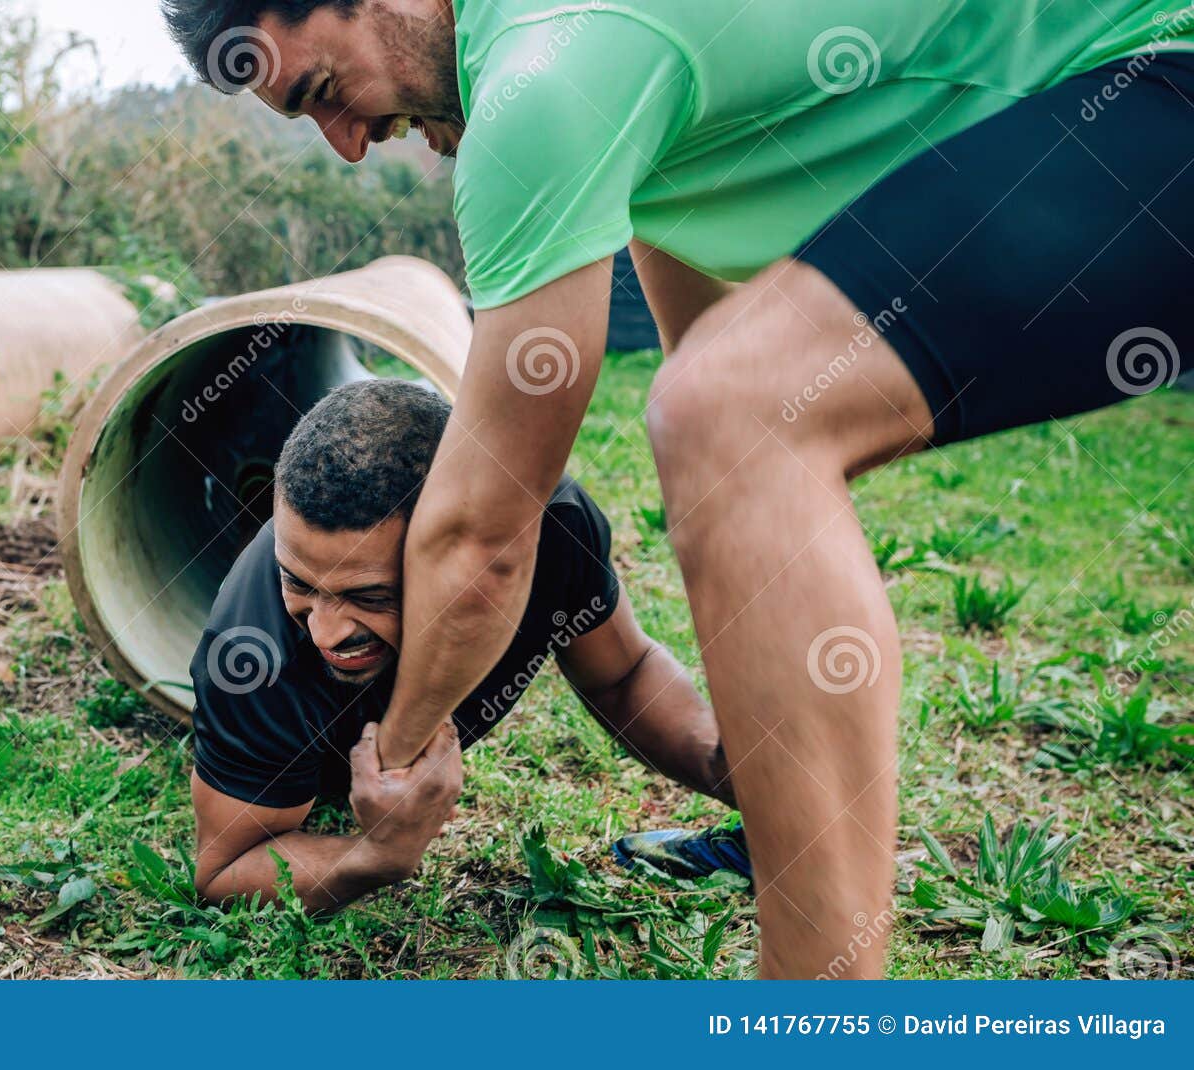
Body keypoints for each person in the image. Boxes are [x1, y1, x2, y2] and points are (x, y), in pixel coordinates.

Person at [164, 0, 1194, 975]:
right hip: (1091, 110)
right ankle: (779, 839)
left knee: (732, 414)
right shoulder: (586, 73)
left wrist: (391, 768)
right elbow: (707, 361)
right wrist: (773, 769)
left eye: (322, 91)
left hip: (1154, 73)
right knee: (726, 422)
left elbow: (481, 538)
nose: (346, 143)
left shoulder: (539, 76)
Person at [190, 380, 747, 911]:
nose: (326, 632)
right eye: (298, 582)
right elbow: (224, 871)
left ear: (459, 558)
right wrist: (376, 855)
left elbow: (623, 676)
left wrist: (750, 779)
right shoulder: (251, 655)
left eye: (371, 595)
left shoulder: (549, 527)